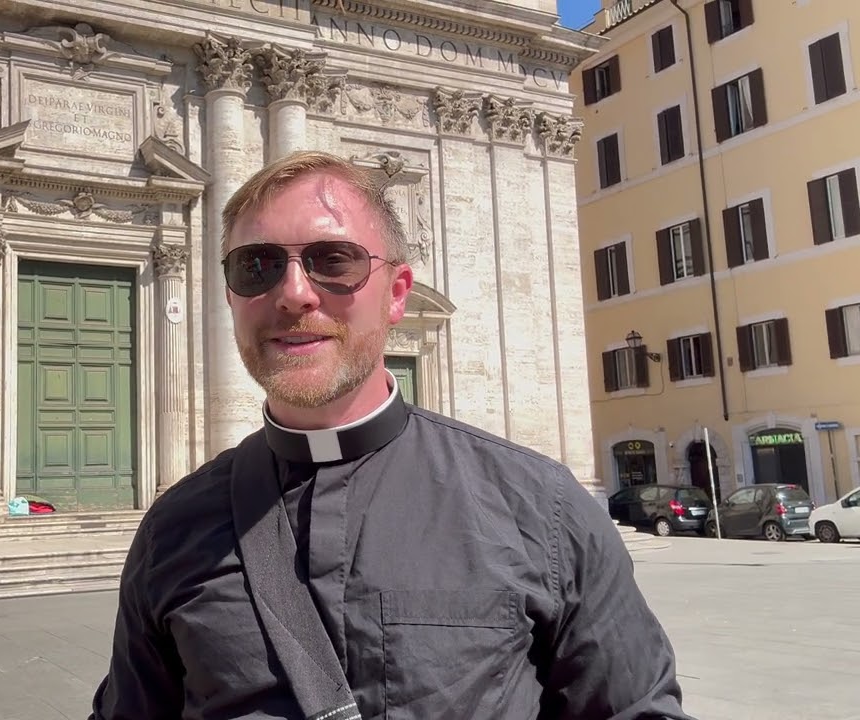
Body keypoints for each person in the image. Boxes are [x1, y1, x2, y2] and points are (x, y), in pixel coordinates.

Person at [88, 151, 694, 720]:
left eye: (334, 260)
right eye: (258, 265)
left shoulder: (542, 507)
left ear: (397, 294)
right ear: (231, 294)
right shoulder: (174, 529)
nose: (294, 293)